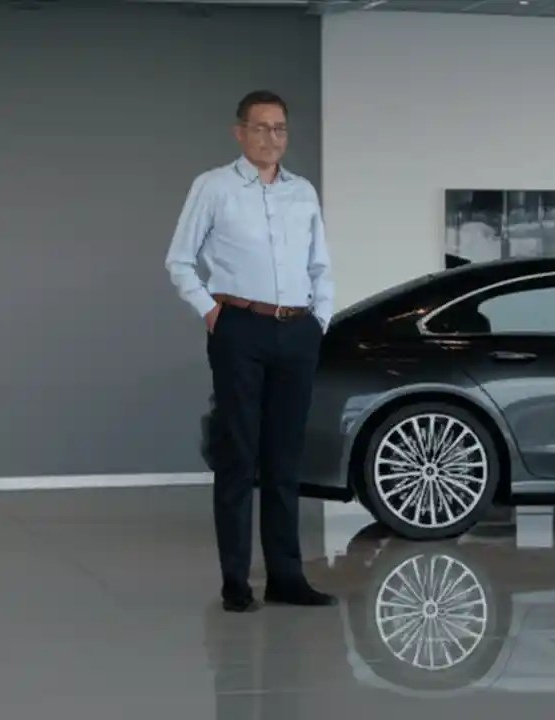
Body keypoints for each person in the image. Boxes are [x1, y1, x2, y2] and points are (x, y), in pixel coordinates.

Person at [165, 90, 335, 612]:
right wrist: (212, 312)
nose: (271, 137)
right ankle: (235, 581)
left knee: (285, 460)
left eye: (279, 128)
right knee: (239, 456)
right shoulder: (214, 187)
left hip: (297, 332)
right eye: (260, 127)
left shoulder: (302, 192)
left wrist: (319, 321)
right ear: (240, 132)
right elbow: (179, 260)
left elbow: (319, 264)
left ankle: (286, 577)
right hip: (240, 327)